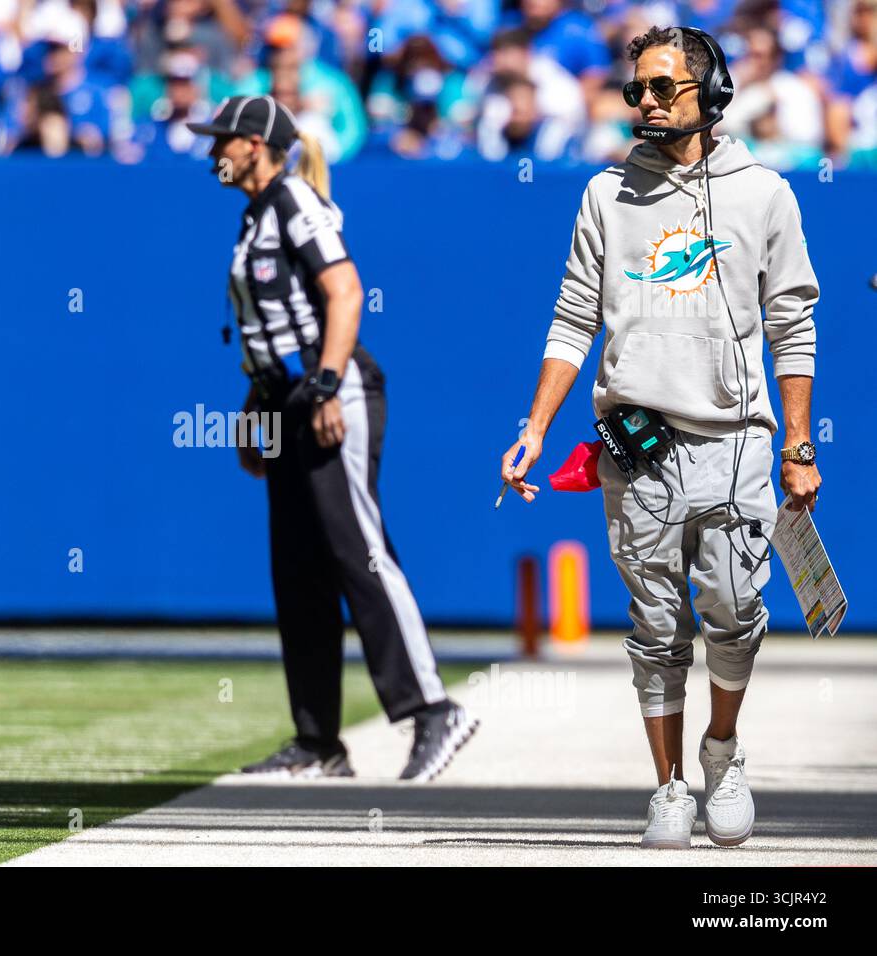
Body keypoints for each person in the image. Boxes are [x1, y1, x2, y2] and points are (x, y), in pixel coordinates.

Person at [499, 27, 821, 848]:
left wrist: (798, 445)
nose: (643, 101)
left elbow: (793, 323)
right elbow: (573, 318)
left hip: (738, 440)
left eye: (662, 88)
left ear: (710, 94)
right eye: (635, 88)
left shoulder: (766, 195)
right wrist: (535, 428)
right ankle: (669, 787)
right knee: (654, 625)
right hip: (638, 445)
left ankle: (724, 750)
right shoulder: (606, 195)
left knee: (738, 609)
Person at [191, 94, 478, 781]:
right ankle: (319, 740)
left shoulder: (294, 201)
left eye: (223, 141)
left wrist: (323, 385)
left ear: (256, 146)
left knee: (358, 549)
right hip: (285, 397)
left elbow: (344, 292)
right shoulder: (255, 213)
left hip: (331, 389)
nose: (213, 153)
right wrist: (257, 412)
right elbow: (270, 335)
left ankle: (434, 708)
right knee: (298, 566)